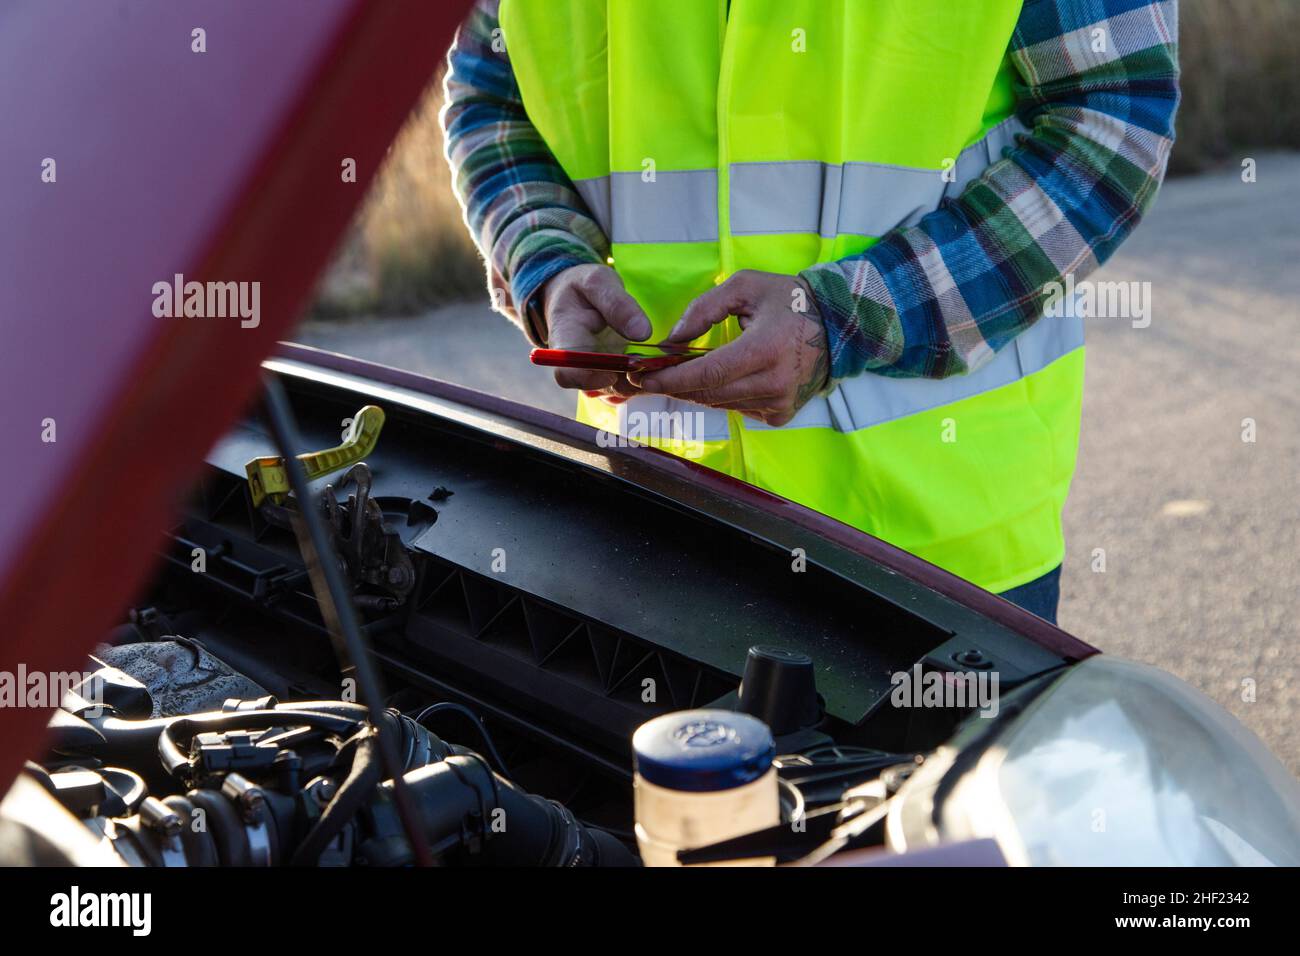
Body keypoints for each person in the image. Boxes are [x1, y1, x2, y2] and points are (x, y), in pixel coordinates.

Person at [442, 0, 1181, 624]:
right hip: (651, 521)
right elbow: (490, 104)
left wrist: (852, 317)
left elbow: (1113, 115)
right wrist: (544, 255)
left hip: (940, 559)